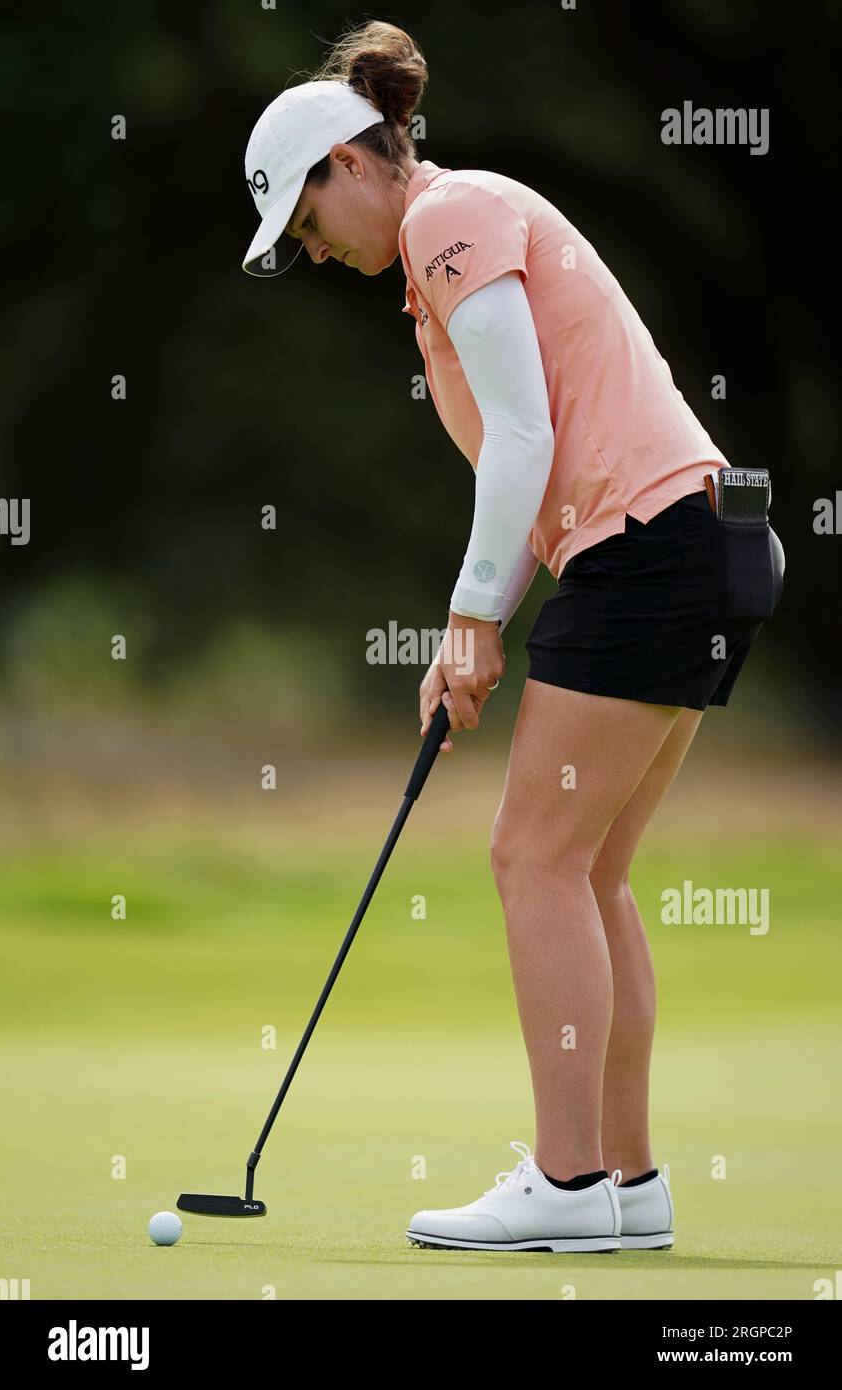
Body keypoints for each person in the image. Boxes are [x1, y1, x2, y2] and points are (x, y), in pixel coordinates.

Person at [242, 20, 784, 1253]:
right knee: (586, 870)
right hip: (692, 545)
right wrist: (463, 641)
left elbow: (530, 439)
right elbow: (538, 484)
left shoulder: (448, 218)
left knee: (531, 858)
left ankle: (568, 1181)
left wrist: (473, 619)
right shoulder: (447, 255)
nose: (317, 252)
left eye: (309, 221)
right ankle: (627, 1185)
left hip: (656, 550)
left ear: (351, 163)